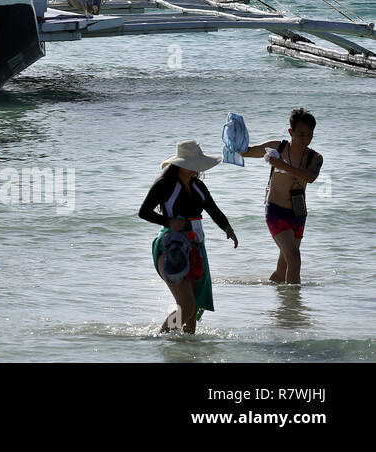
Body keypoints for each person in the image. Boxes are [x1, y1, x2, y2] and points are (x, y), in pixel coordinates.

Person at [138, 140, 238, 334]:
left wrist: (228, 228)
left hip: (195, 247)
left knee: (194, 311)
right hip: (171, 247)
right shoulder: (165, 184)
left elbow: (213, 209)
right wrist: (169, 222)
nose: (197, 170)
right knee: (187, 307)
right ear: (181, 164)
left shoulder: (198, 185)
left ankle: (185, 351)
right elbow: (144, 212)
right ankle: (160, 337)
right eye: (193, 165)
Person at [240, 108, 323, 285]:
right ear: (291, 132)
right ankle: (295, 306)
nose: (305, 139)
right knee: (294, 256)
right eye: (301, 134)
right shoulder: (278, 148)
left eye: (309, 135)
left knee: (283, 268)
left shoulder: (315, 157)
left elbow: (310, 177)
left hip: (298, 213)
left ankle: (281, 306)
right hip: (275, 210)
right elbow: (247, 151)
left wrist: (281, 165)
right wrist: (235, 138)